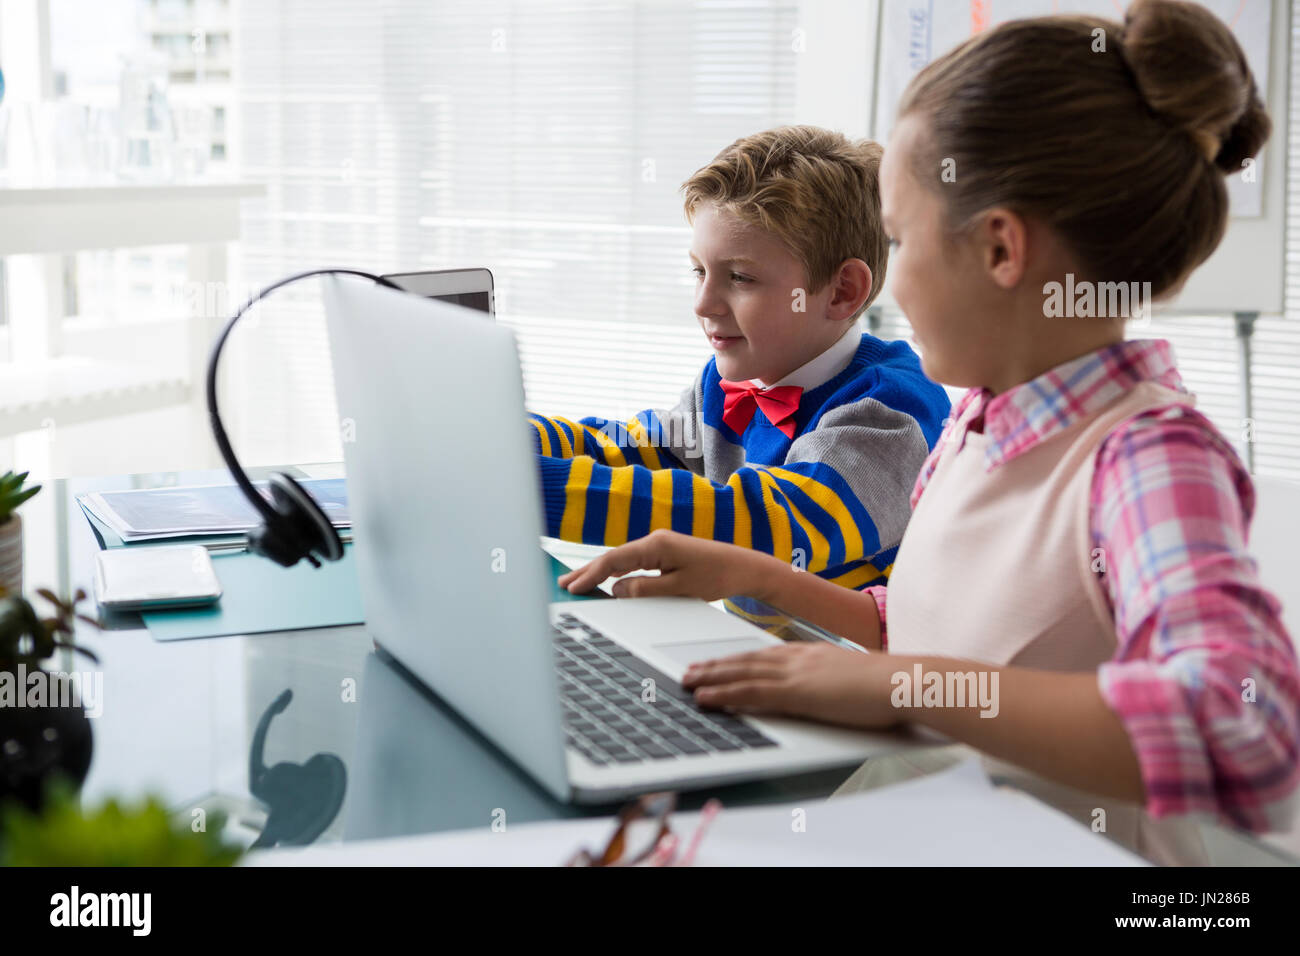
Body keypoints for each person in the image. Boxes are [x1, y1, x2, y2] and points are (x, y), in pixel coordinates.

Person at [558, 0, 1300, 864]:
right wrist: (762, 576)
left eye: (902, 240)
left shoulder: (1148, 458)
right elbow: (948, 639)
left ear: (999, 250)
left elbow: (1248, 734)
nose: (888, 285)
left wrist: (905, 684)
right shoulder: (980, 420)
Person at [530, 125, 950, 591]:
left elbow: (764, 526)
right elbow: (625, 449)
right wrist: (497, 438)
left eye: (741, 278)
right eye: (700, 271)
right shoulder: (728, 382)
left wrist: (521, 487)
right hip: (761, 653)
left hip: (856, 662)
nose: (702, 303)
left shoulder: (892, 414)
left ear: (842, 292)